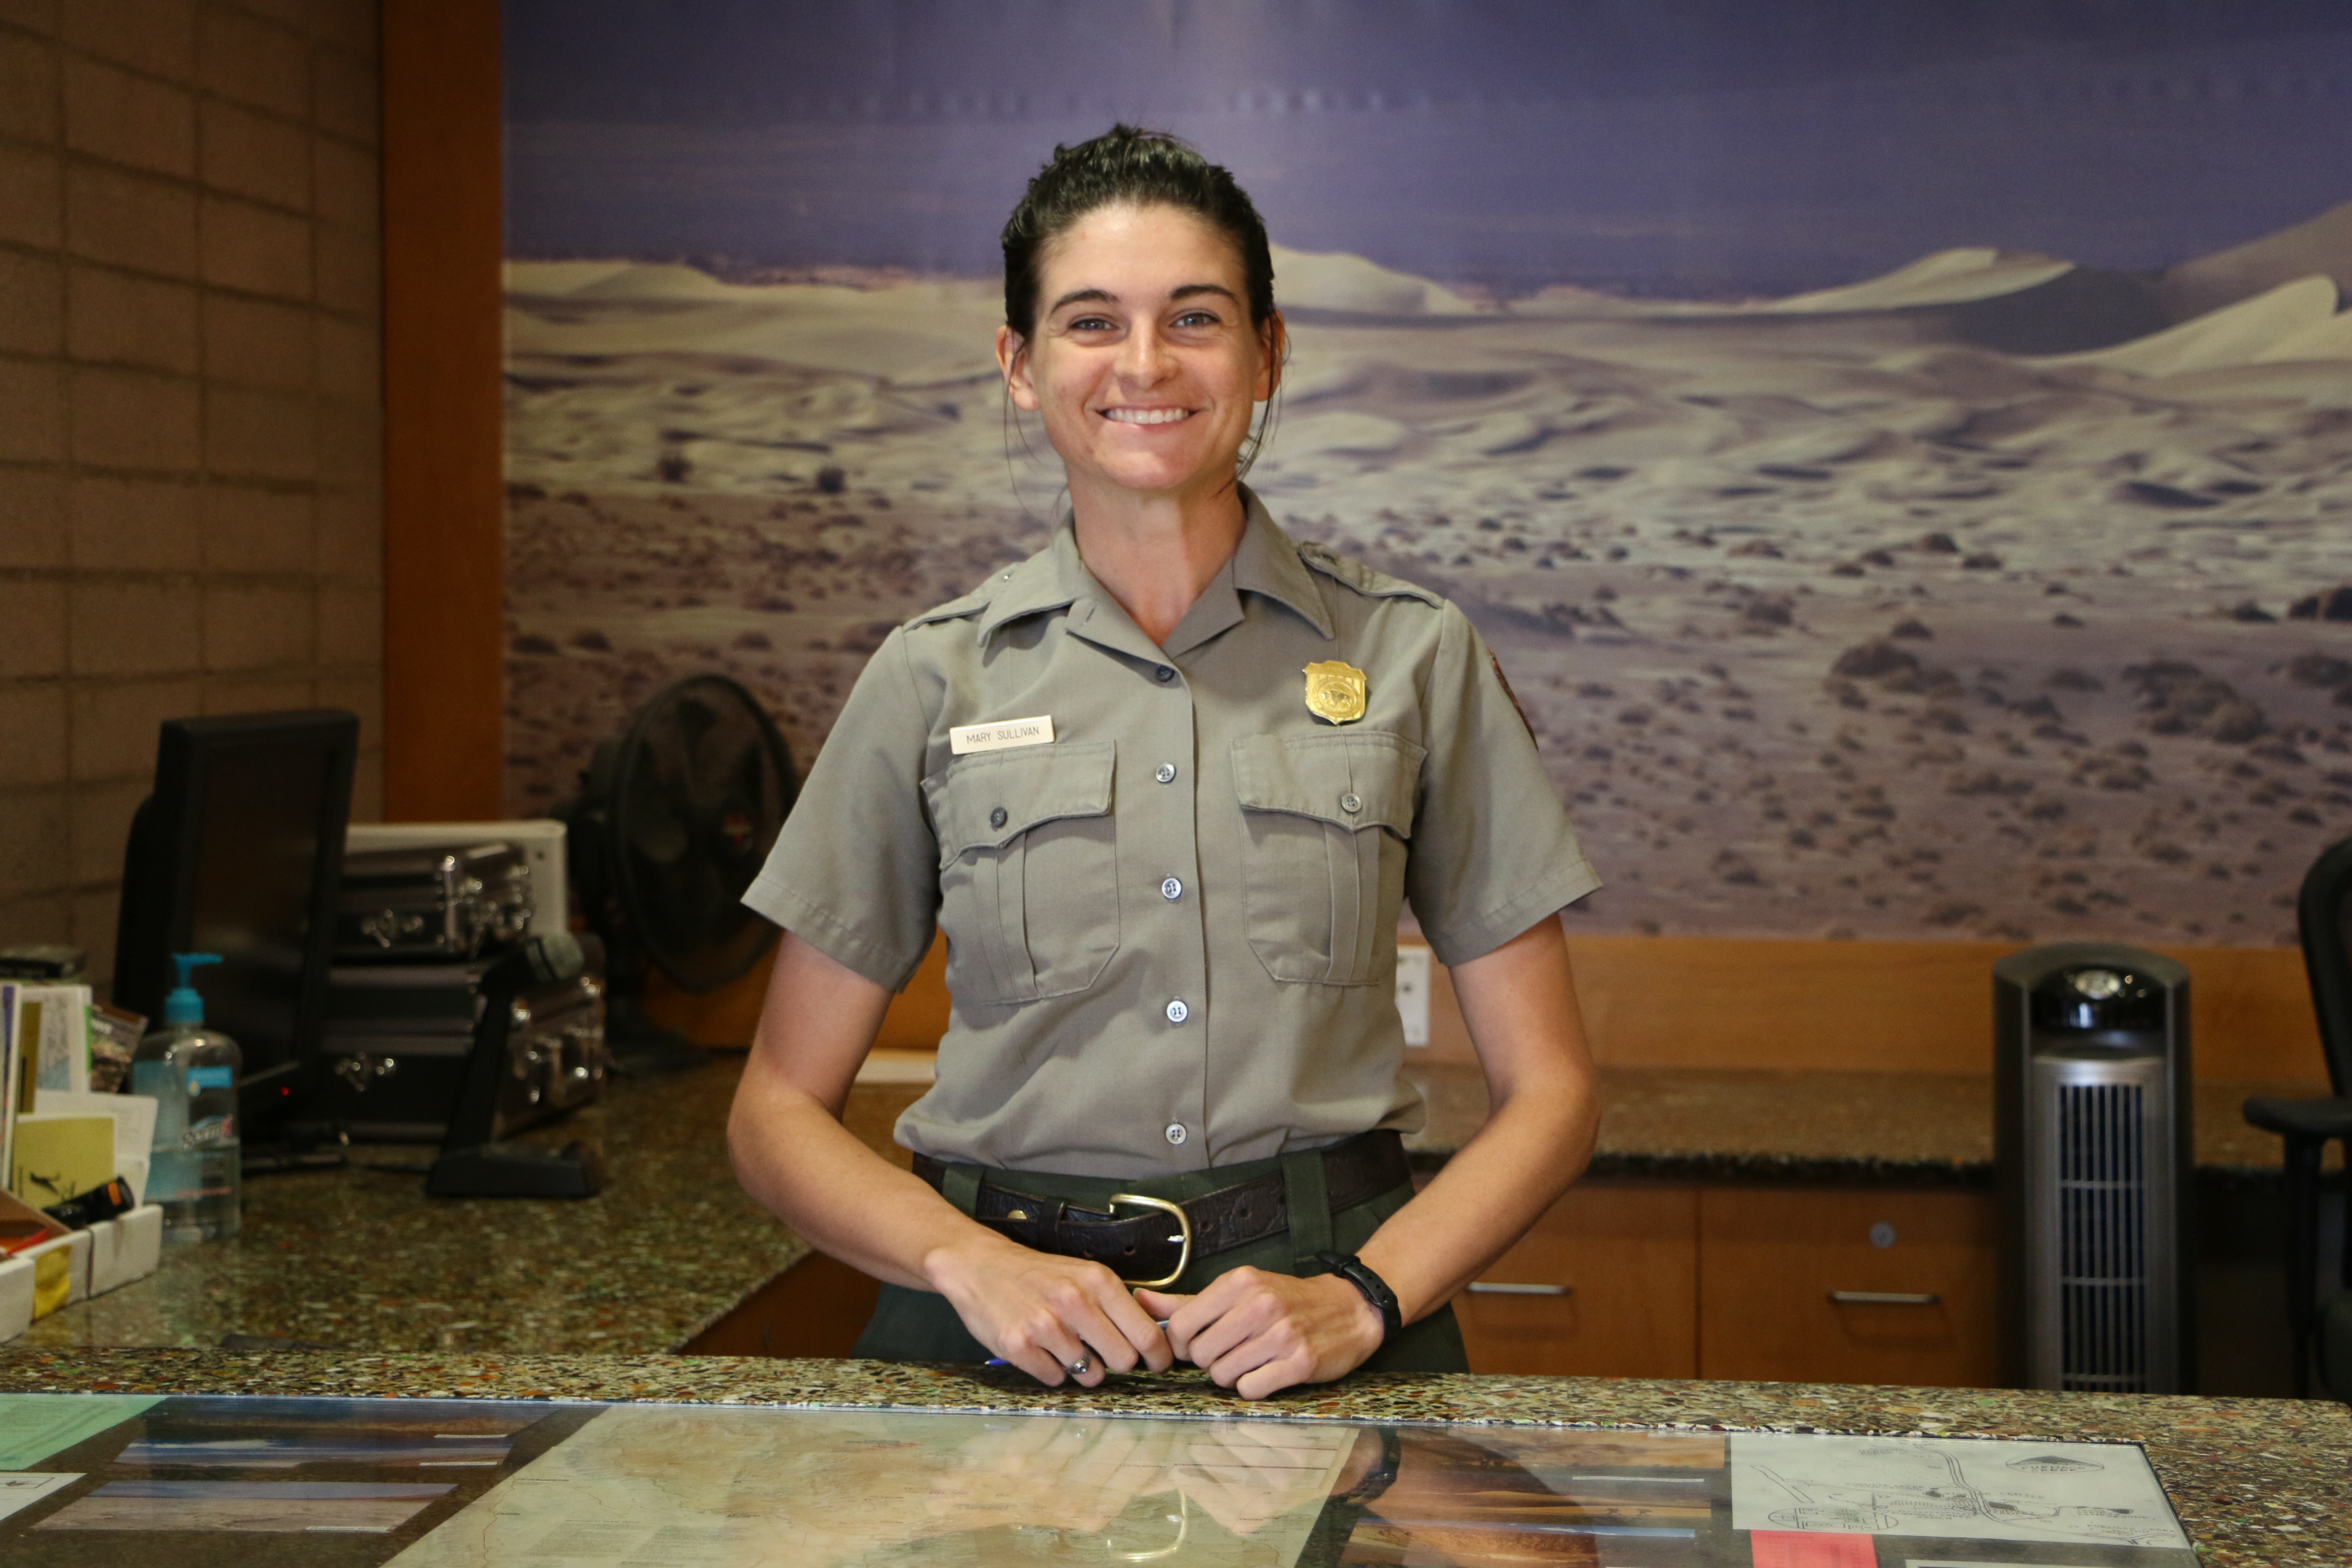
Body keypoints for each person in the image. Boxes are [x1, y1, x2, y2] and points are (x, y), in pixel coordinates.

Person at [729, 126, 1602, 1400]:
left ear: (1267, 353)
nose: (1144, 364)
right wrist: (968, 1265)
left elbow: (1556, 1094)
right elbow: (773, 1115)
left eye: (1195, 317)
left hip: (1327, 1325)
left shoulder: (1416, 659)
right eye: (1091, 322)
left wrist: (1362, 1299)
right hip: (991, 1334)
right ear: (1020, 367)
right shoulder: (933, 678)